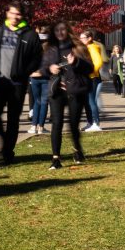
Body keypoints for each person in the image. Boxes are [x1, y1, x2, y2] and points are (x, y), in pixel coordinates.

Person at [0, 4, 44, 165]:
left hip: (17, 83)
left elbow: (37, 57)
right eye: (12, 13)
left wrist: (26, 71)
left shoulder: (29, 34)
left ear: (22, 16)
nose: (15, 17)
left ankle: (7, 152)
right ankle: (4, 143)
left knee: (13, 119)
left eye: (18, 14)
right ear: (7, 13)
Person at [40, 23, 94, 170]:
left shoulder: (79, 47)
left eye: (62, 29)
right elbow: (43, 69)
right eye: (56, 30)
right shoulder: (49, 49)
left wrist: (76, 62)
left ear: (68, 31)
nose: (60, 32)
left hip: (75, 90)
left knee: (73, 124)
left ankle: (77, 150)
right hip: (57, 91)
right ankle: (55, 158)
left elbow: (91, 68)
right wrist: (49, 69)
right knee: (56, 123)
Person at [81, 29, 106, 132]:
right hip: (88, 77)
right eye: (80, 37)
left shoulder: (92, 47)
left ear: (90, 38)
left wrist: (91, 72)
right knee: (87, 102)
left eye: (83, 38)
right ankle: (90, 122)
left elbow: (99, 62)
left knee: (91, 101)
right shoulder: (87, 47)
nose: (81, 39)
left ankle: (95, 123)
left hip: (92, 78)